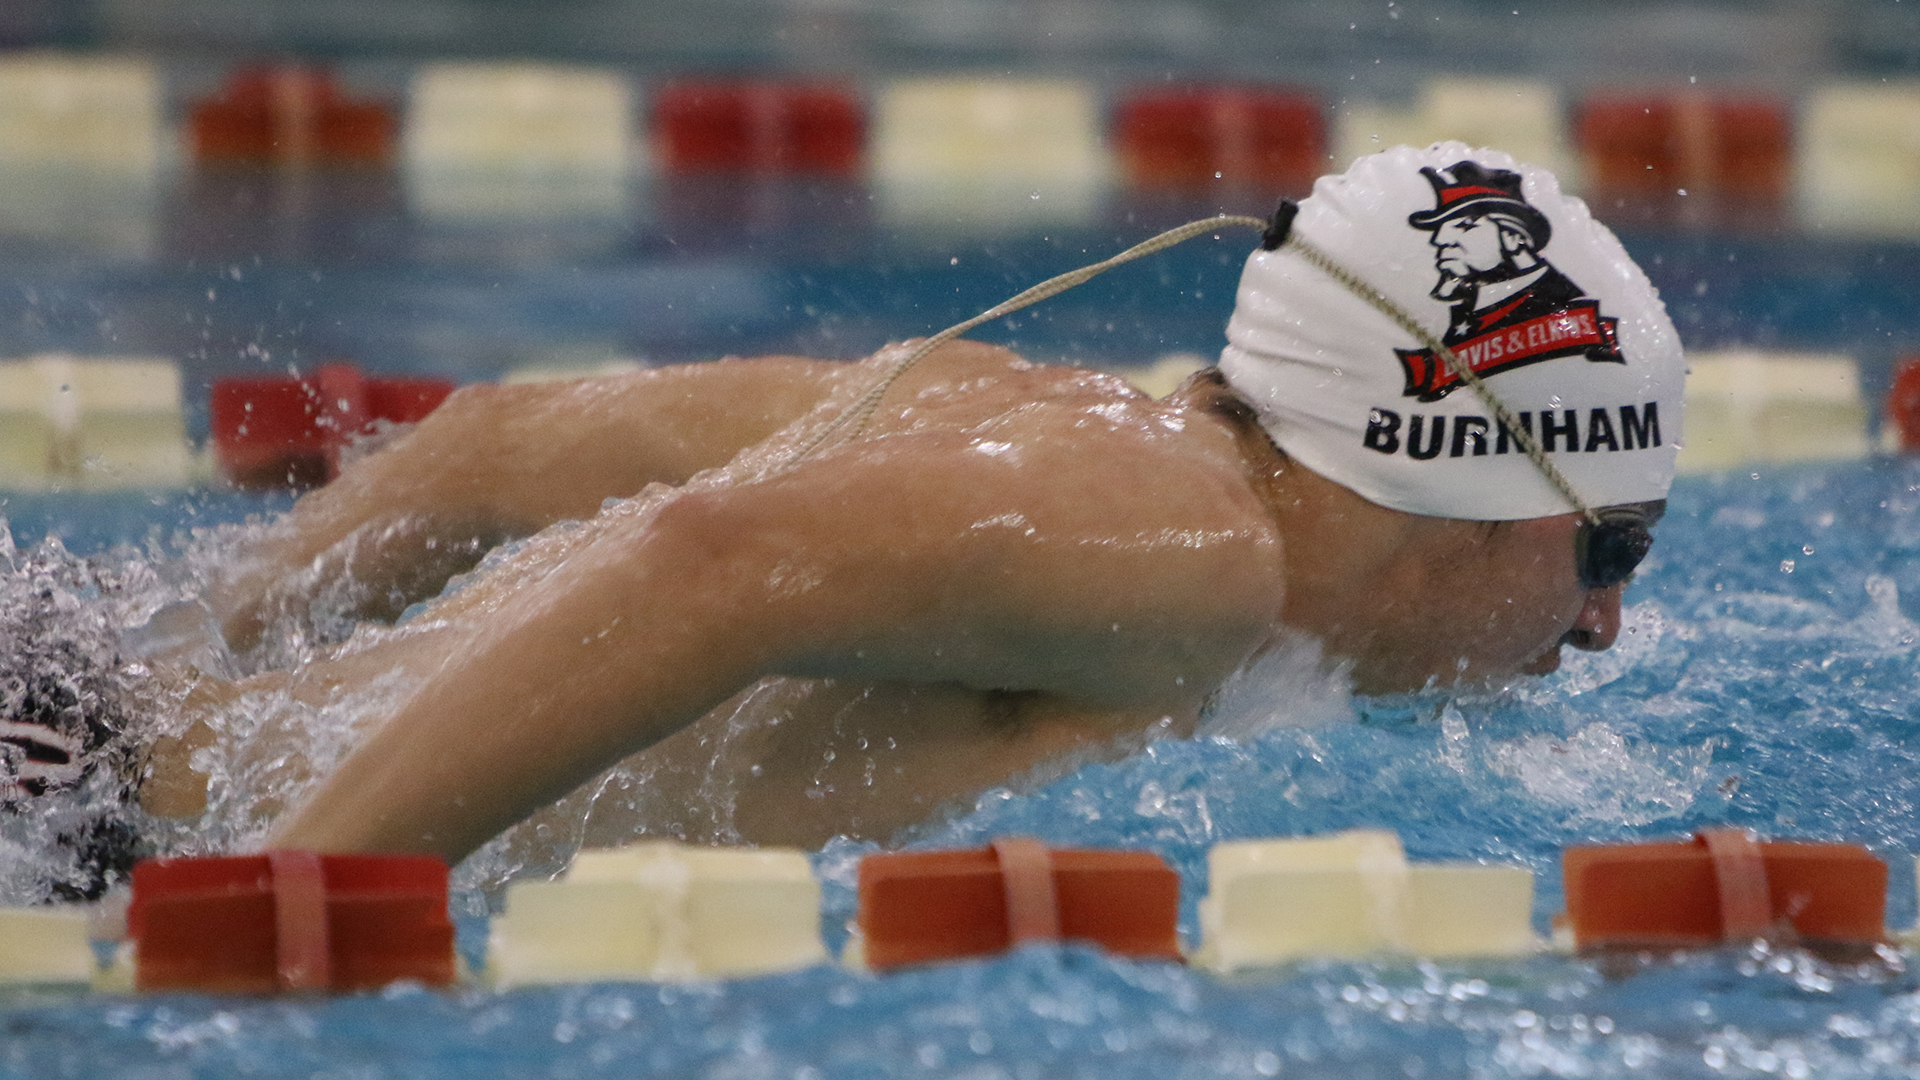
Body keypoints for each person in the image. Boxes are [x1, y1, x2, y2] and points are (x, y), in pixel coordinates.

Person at [42, 143, 1689, 870]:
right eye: (1612, 545)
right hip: (102, 841)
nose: (1607, 620)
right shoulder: (1197, 567)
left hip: (78, 734)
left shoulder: (1049, 427)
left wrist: (173, 656)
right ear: (1468, 489)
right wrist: (294, 908)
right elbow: (724, 557)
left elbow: (492, 440)